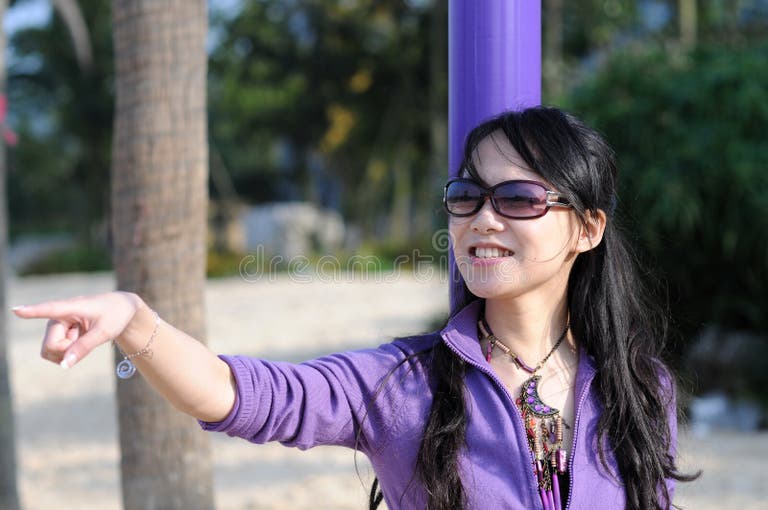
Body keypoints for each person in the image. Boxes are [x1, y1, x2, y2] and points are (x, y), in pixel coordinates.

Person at [13, 106, 694, 510]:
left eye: (517, 199)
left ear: (588, 228)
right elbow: (244, 394)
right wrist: (137, 322)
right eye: (467, 195)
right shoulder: (403, 383)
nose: (482, 219)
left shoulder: (641, 389)